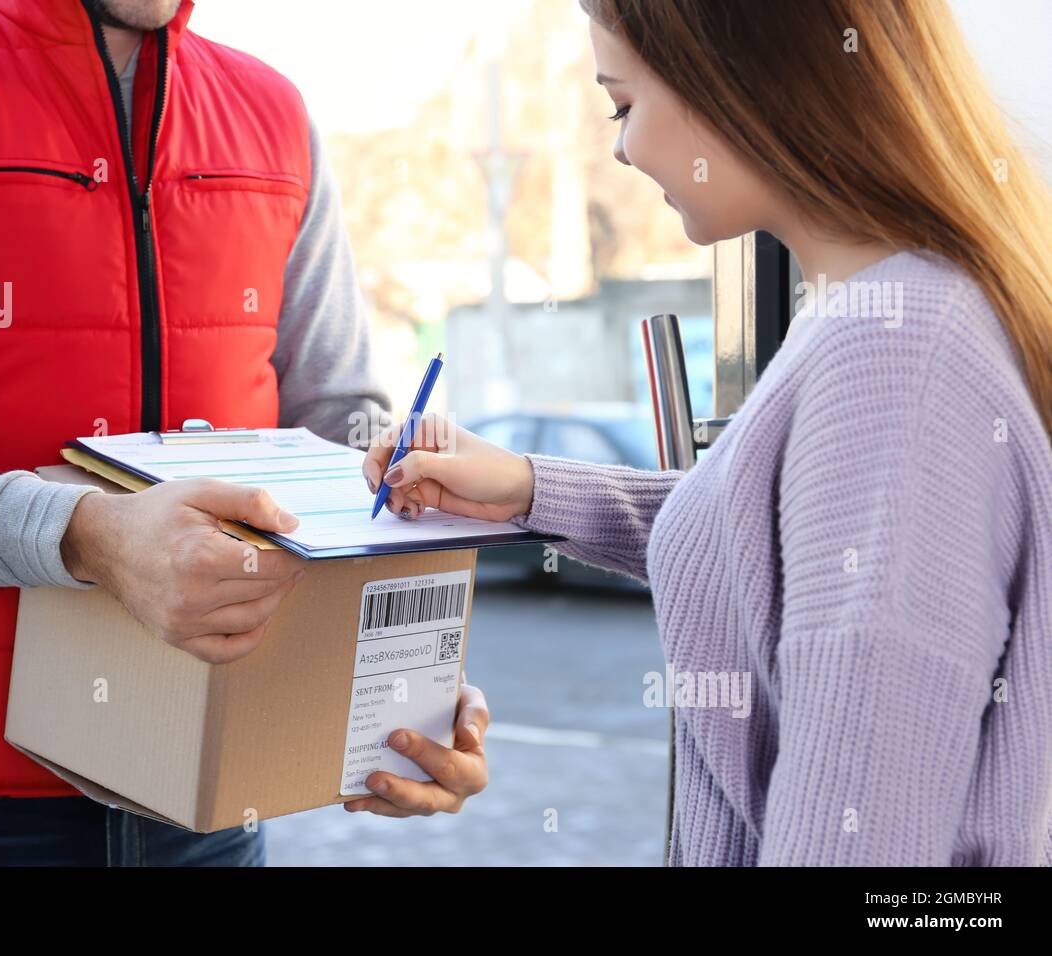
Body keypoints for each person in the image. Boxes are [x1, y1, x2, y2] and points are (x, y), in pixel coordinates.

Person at [365, 0, 1052, 866]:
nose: (620, 147)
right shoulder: (878, 311)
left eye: (622, 104)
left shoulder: (893, 354)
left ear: (736, 79)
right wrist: (531, 490)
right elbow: (767, 545)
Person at [0, 0, 486, 866]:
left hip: (206, 799)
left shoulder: (272, 110)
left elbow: (345, 428)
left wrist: (399, 681)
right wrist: (89, 537)